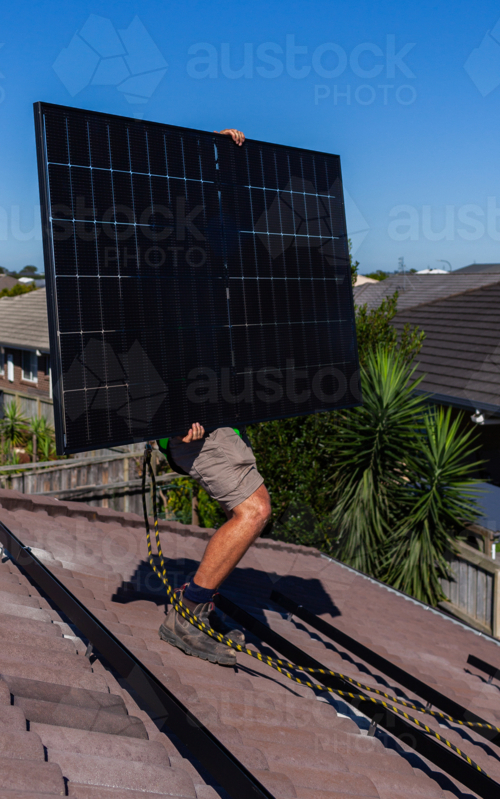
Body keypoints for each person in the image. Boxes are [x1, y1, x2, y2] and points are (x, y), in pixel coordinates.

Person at [157, 127, 272, 666]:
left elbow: (233, 217)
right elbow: (151, 343)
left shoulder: (209, 276)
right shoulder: (171, 279)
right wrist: (178, 413)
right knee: (253, 511)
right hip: (192, 422)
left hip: (215, 413)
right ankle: (189, 613)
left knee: (250, 511)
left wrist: (230, 162)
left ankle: (199, 601)